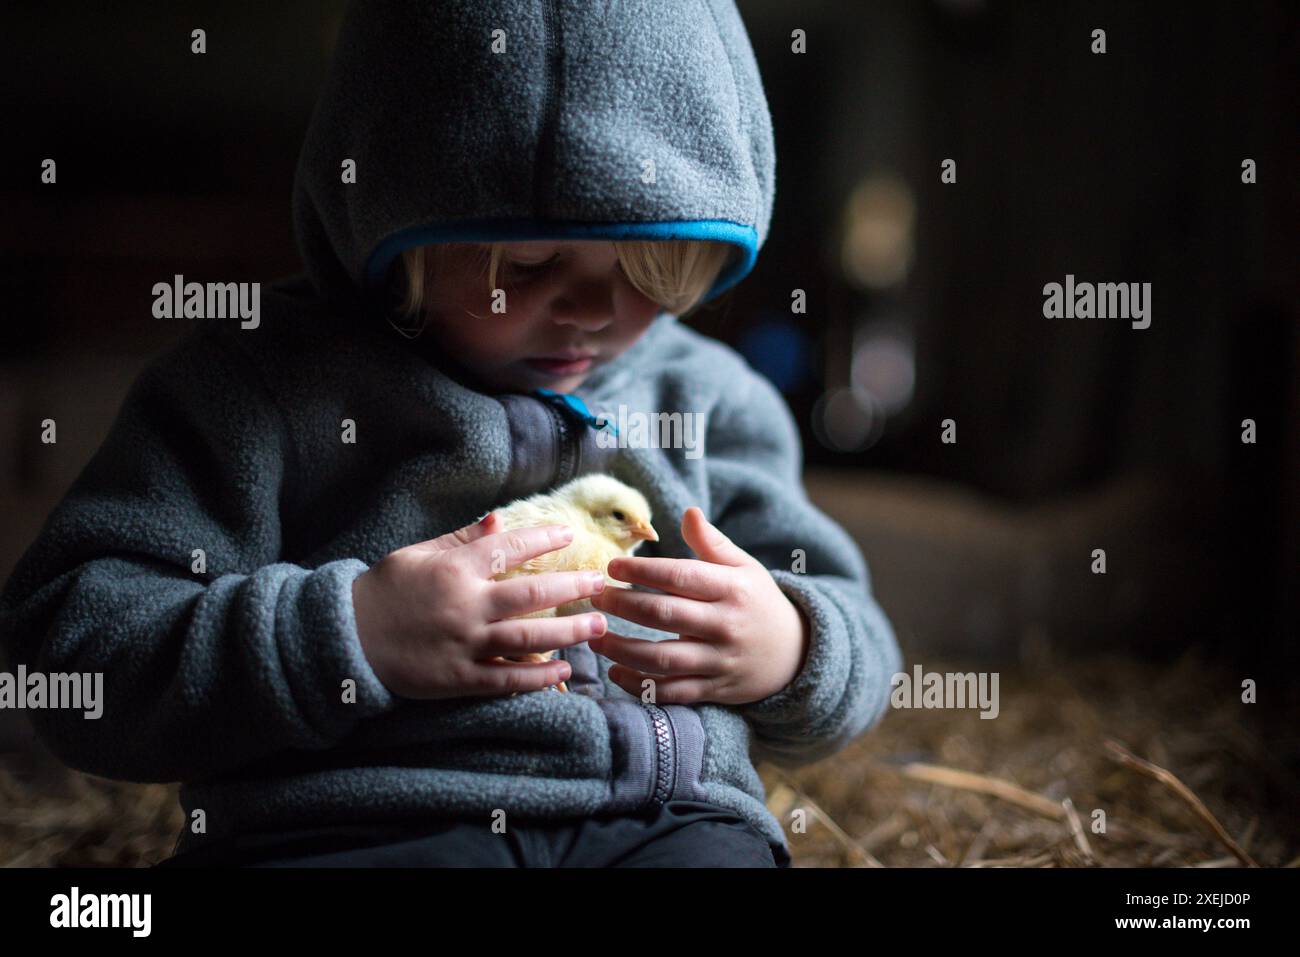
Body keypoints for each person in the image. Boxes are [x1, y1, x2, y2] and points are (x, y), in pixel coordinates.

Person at [0, 0, 901, 868]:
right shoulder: (255, 389)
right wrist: (350, 634)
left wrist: (791, 646)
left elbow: (859, 631)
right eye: (530, 264)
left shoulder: (713, 402)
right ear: (393, 223)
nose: (591, 312)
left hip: (669, 823)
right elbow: (72, 653)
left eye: (647, 266)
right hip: (364, 826)